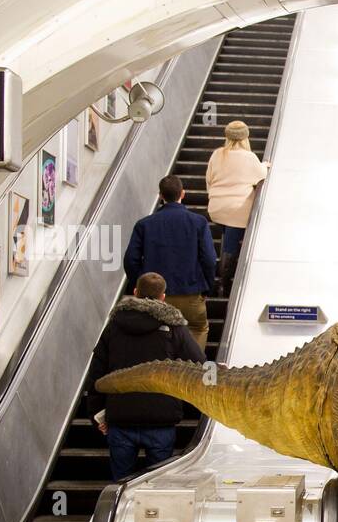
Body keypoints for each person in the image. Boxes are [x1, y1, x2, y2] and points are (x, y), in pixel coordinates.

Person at [88, 272, 206, 481]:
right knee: (157, 485)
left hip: (121, 418)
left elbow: (97, 372)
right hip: (161, 420)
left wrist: (97, 414)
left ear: (135, 293)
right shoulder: (174, 327)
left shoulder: (114, 326)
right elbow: (199, 366)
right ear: (163, 297)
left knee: (122, 483)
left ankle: (119, 513)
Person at [123, 175, 216, 352]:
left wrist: (141, 287)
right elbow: (210, 259)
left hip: (153, 296)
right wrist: (206, 287)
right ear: (183, 194)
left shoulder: (144, 225)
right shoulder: (198, 222)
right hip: (190, 294)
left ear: (161, 196)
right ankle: (191, 373)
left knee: (153, 332)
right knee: (197, 328)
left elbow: (131, 260)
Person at [206, 120, 269, 296]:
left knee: (227, 236)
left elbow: (209, 180)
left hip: (216, 208)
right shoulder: (248, 157)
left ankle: (221, 277)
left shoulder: (217, 154)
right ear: (245, 137)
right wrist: (265, 165)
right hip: (237, 210)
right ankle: (223, 284)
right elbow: (260, 174)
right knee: (231, 244)